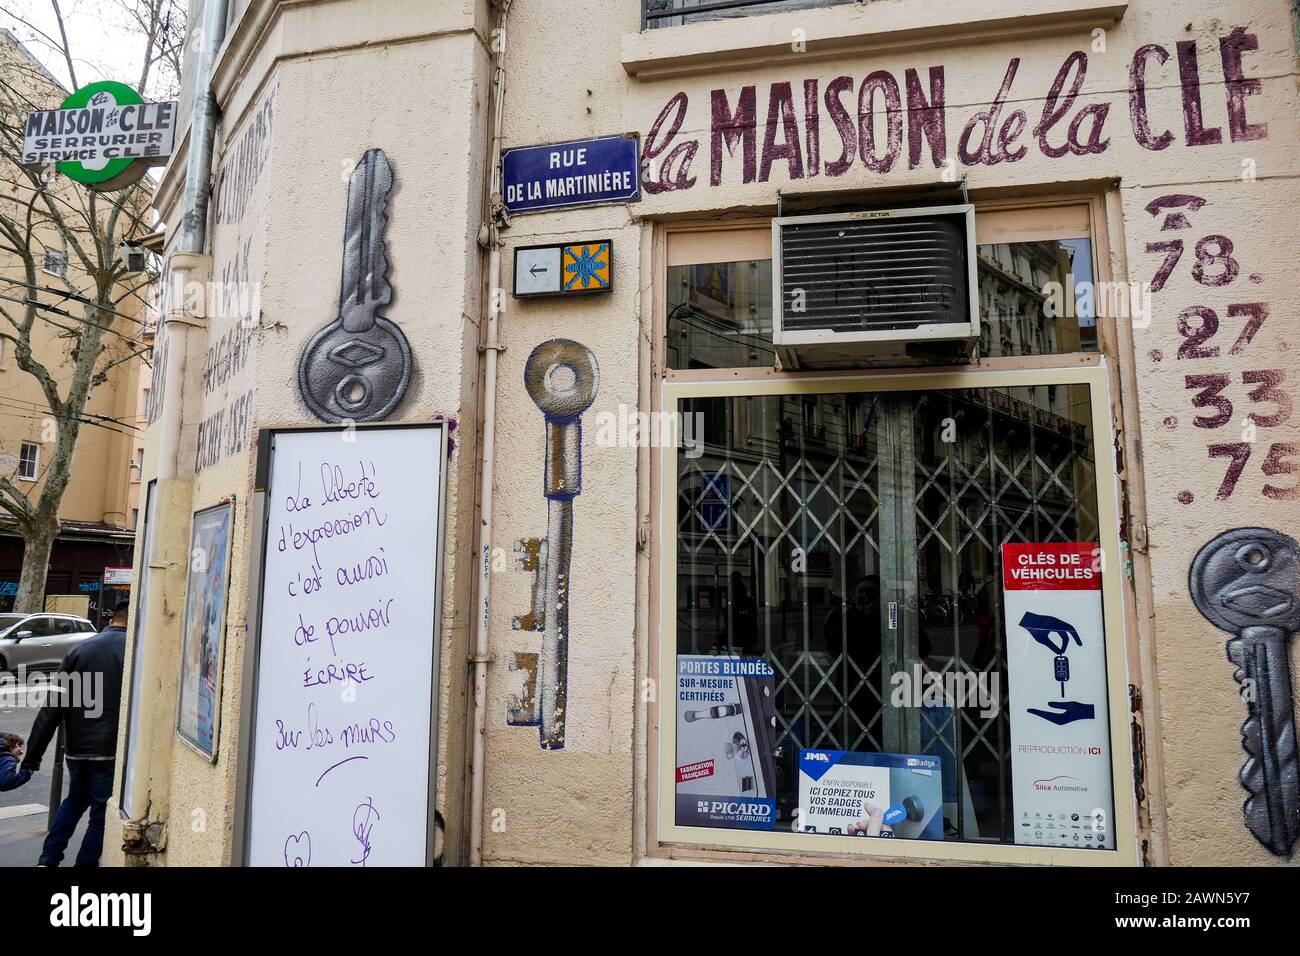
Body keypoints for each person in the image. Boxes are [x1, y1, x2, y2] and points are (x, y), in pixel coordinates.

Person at [22, 597, 128, 867]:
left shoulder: (79, 650)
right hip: (110, 749)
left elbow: (51, 709)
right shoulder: (134, 651)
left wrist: (32, 758)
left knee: (74, 800)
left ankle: (47, 859)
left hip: (77, 748)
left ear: (110, 619)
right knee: (101, 812)